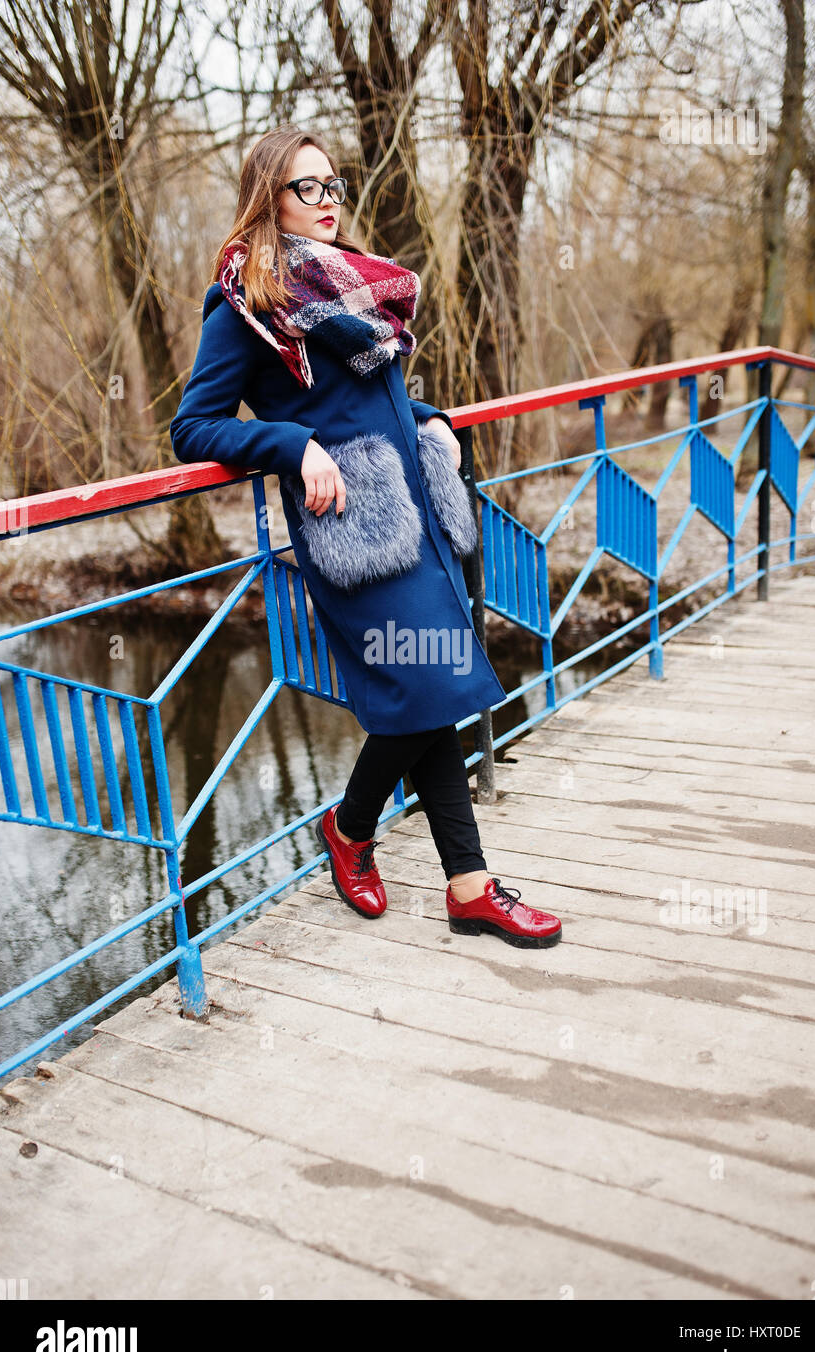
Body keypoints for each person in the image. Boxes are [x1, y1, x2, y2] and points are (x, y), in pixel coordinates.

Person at [170, 125, 561, 949]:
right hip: (353, 522)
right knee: (434, 684)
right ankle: (393, 850)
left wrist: (433, 422)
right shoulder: (245, 300)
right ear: (268, 196)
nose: (326, 200)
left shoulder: (349, 286)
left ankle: (444, 875)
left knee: (429, 693)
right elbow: (195, 426)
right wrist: (290, 444)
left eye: (332, 184)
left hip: (418, 503)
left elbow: (373, 402)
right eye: (305, 187)